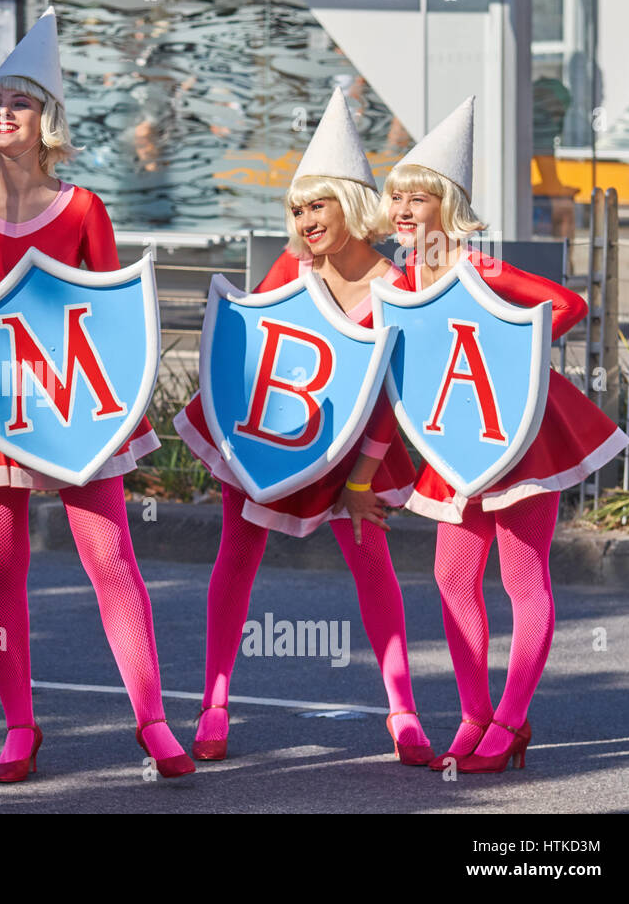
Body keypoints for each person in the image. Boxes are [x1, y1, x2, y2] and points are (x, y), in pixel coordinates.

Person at [0, 9, 194, 781]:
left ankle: (152, 718)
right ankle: (18, 724)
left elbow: (113, 317)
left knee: (112, 559)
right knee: (0, 574)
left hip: (80, 410)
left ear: (46, 120)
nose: (4, 112)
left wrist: (115, 412)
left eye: (21, 101)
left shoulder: (83, 209)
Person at [173, 89, 433, 764]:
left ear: (348, 202)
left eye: (317, 203)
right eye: (296, 207)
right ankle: (214, 704)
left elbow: (387, 395)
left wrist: (363, 479)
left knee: (372, 563)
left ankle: (402, 711)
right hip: (270, 435)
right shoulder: (294, 267)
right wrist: (237, 439)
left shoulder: (398, 287)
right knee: (236, 555)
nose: (304, 218)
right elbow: (252, 352)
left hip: (357, 453)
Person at [379, 98, 628, 772]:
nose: (403, 209)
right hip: (452, 443)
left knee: (523, 576)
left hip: (518, 437)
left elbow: (567, 305)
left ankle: (512, 721)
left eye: (418, 198)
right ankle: (473, 715)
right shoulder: (400, 281)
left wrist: (508, 358)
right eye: (396, 196)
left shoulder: (477, 269)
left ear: (446, 207)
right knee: (451, 575)